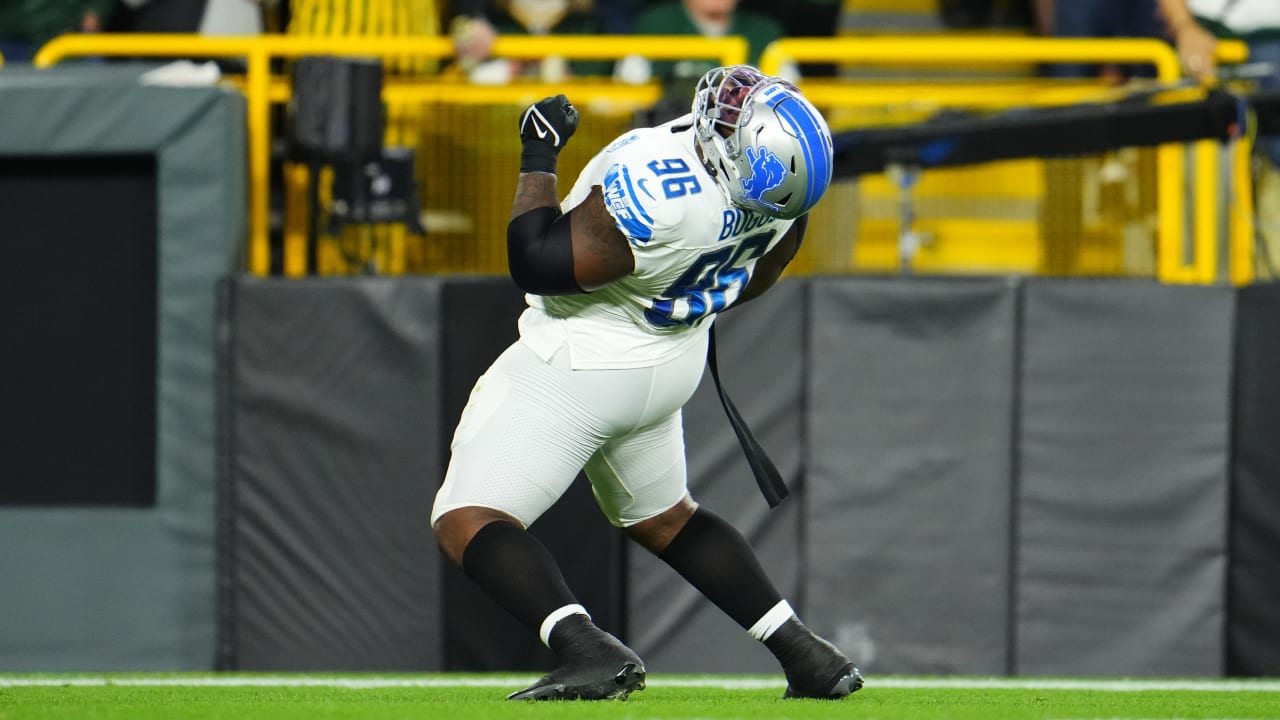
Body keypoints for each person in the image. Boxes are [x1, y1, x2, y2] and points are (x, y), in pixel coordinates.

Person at [430, 64, 863, 701]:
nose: (730, 106)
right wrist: (678, 302)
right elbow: (760, 276)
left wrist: (539, 153)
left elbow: (537, 261)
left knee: (466, 518)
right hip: (670, 362)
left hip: (583, 361)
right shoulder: (783, 198)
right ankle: (807, 654)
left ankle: (585, 647)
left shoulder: (662, 192)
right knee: (666, 518)